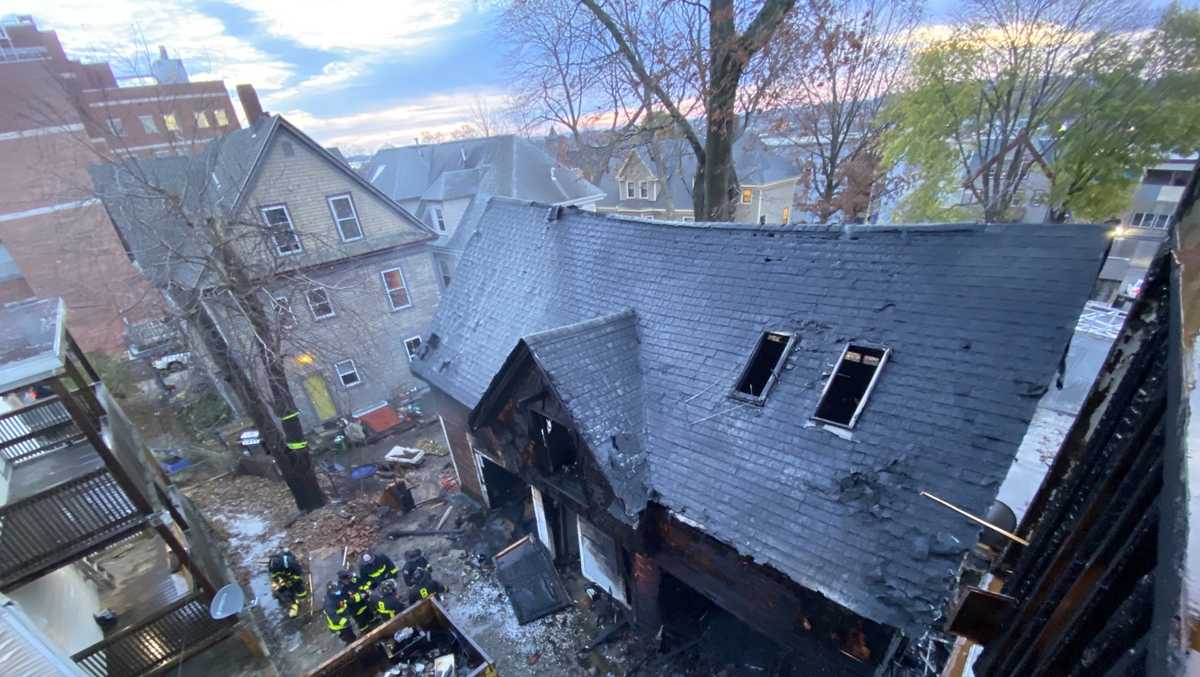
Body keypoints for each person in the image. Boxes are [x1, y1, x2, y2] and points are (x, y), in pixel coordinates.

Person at [267, 549, 307, 618]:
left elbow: (298, 572)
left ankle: (302, 596)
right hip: (284, 572)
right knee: (283, 587)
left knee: (297, 583)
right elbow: (274, 576)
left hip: (291, 572)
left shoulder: (291, 563)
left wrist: (294, 578)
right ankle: (292, 597)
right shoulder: (273, 564)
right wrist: (278, 582)